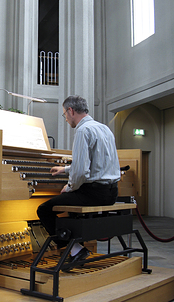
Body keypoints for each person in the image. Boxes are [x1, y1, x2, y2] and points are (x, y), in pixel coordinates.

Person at [37, 95, 121, 263]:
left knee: (44, 209)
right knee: (69, 203)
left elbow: (81, 172)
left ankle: (75, 249)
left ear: (71, 110)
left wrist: (69, 186)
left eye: (65, 115)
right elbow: (99, 163)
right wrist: (66, 169)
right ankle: (76, 247)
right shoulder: (104, 128)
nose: (66, 119)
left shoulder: (83, 130)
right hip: (111, 192)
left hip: (94, 193)